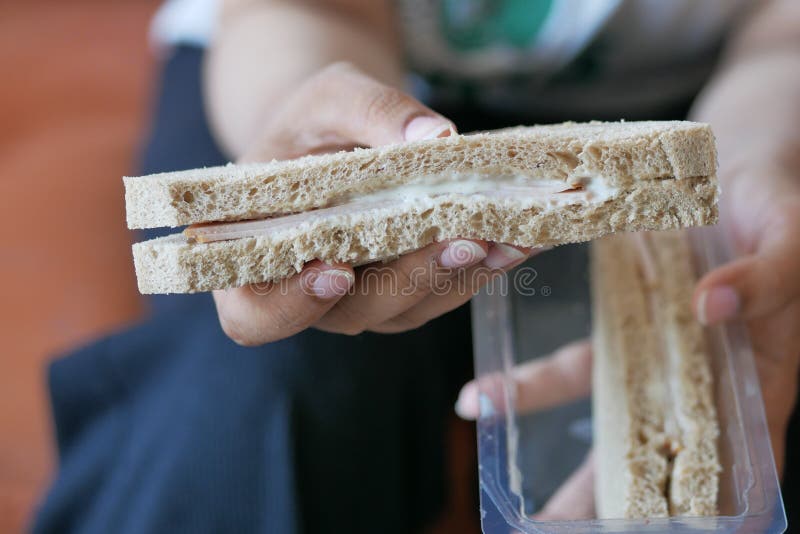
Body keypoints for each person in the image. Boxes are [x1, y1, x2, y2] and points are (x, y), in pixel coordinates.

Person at [35, 0, 799, 532]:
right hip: (301, 63)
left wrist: (761, 151)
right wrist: (316, 157)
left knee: (747, 381)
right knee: (260, 392)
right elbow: (309, 9)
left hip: (703, 94)